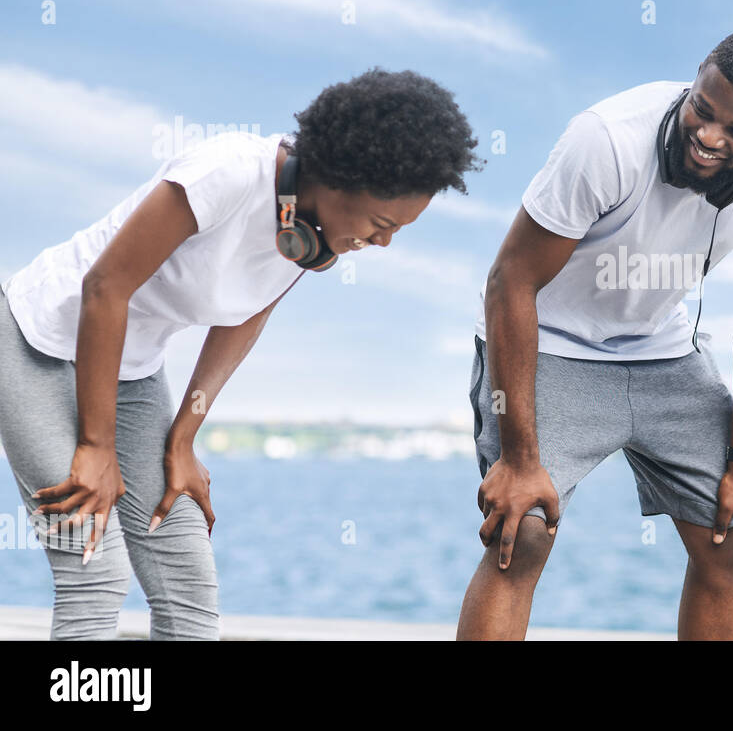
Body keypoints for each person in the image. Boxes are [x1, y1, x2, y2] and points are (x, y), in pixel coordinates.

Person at [0, 68, 481, 640]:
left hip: (130, 371)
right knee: (93, 567)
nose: (383, 242)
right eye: (381, 223)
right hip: (36, 339)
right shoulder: (227, 172)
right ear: (341, 178)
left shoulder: (307, 236)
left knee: (186, 579)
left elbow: (245, 315)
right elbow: (105, 288)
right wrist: (97, 446)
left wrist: (182, 438)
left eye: (398, 231)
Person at [459, 28, 733, 640]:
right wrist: (521, 461)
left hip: (663, 353)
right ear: (695, 79)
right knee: (520, 534)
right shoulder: (606, 141)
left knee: (730, 535)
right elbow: (509, 283)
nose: (708, 136)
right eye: (702, 110)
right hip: (547, 341)